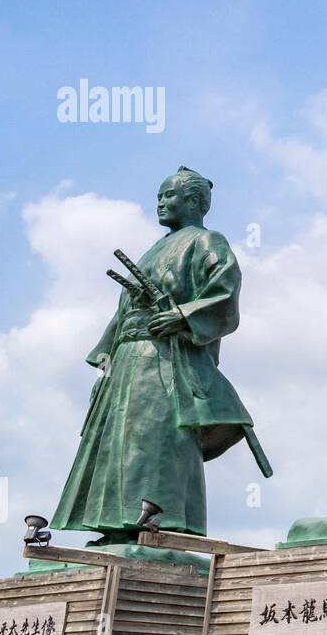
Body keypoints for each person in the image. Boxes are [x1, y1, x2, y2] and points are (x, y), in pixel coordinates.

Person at [51, 167, 269, 542]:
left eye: (170, 195)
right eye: (159, 197)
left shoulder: (207, 242)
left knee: (154, 441)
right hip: (127, 360)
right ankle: (115, 526)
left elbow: (224, 292)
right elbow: (122, 315)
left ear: (196, 202)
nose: (161, 203)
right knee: (117, 444)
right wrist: (107, 360)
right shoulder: (152, 250)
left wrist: (183, 315)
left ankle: (156, 521)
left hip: (165, 360)